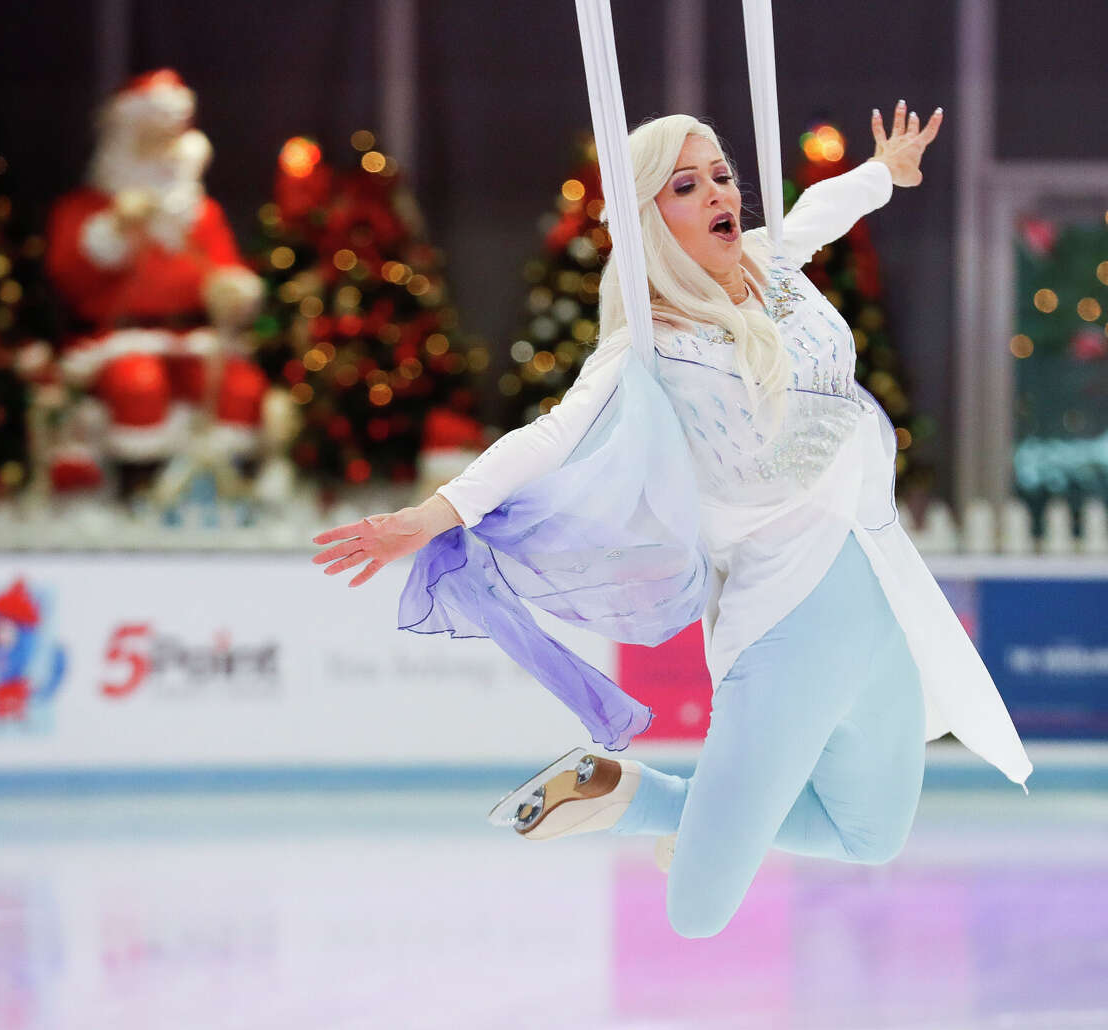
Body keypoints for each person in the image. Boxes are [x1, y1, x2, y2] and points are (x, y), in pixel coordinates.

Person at [312, 103, 1033, 939]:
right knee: (696, 916)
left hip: (883, 595)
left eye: (721, 175)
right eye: (685, 185)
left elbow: (815, 214)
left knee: (872, 837)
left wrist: (884, 174)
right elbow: (549, 436)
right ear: (647, 218)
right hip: (788, 623)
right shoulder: (649, 343)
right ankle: (638, 802)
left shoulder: (767, 264)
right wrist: (433, 514)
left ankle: (653, 802)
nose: (719, 192)